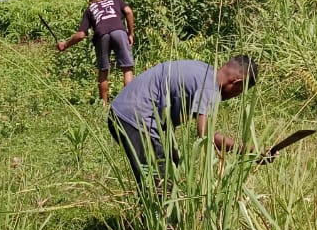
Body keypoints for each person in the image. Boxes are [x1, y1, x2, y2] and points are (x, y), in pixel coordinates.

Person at [106, 56, 258, 186]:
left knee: (170, 166)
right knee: (159, 182)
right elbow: (205, 136)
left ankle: (161, 216)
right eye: (239, 92)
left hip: (123, 112)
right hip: (135, 119)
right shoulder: (210, 88)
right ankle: (160, 220)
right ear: (237, 82)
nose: (234, 96)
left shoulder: (204, 70)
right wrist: (249, 151)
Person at [57, 0, 136, 105]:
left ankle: (104, 105)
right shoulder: (115, 0)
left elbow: (81, 35)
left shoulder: (90, 9)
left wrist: (65, 45)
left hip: (101, 35)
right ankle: (129, 103)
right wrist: (130, 34)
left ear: (90, 3)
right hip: (119, 31)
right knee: (127, 68)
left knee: (103, 70)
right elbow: (128, 12)